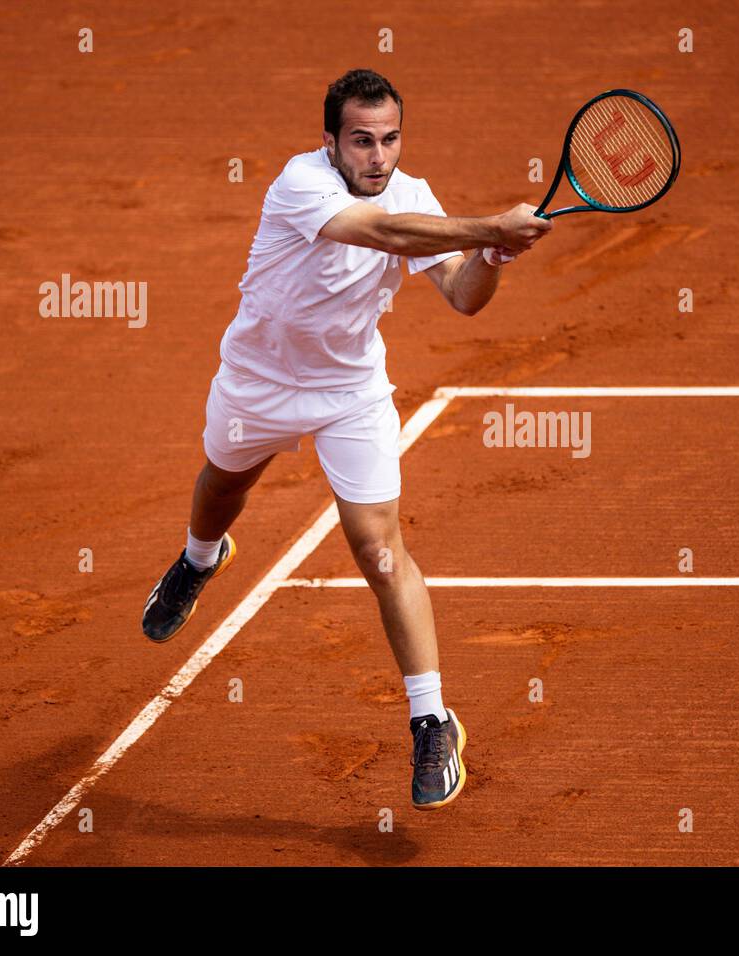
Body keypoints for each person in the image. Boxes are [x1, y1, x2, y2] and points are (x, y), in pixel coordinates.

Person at [141, 68, 552, 810]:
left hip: (348, 394)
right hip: (257, 378)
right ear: (329, 141)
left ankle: (432, 720)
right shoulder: (300, 184)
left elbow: (462, 297)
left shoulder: (415, 196)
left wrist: (491, 258)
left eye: (390, 139)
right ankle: (200, 561)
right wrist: (490, 225)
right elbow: (378, 232)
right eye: (361, 140)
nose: (378, 156)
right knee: (224, 484)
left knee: (380, 549)